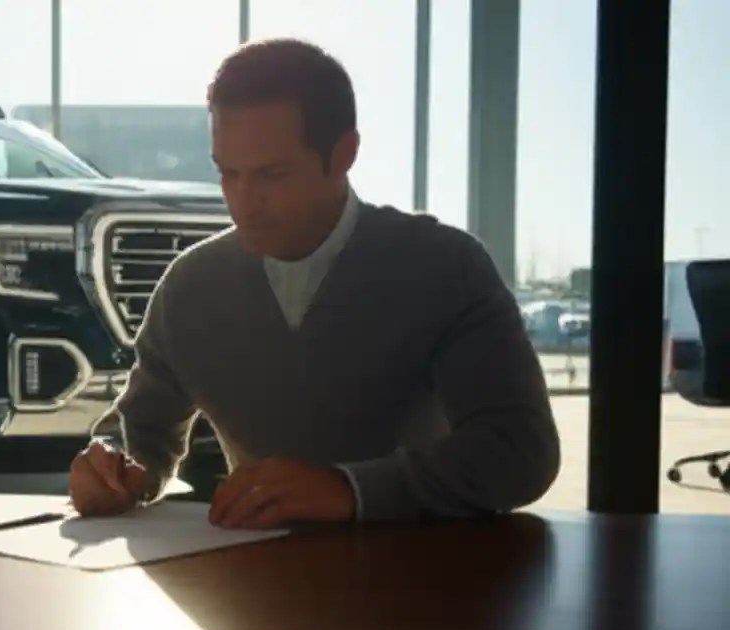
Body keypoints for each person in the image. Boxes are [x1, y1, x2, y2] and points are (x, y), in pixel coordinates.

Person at [68, 38, 560, 527]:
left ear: (344, 154)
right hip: (245, 583)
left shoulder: (446, 268)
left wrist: (350, 489)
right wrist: (112, 464)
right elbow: (142, 431)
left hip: (420, 581)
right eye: (228, 173)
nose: (244, 202)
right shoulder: (191, 287)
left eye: (273, 174)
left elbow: (521, 450)